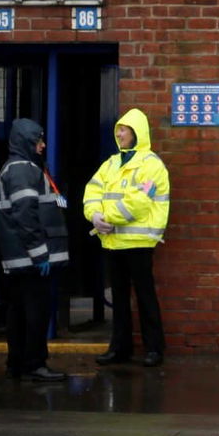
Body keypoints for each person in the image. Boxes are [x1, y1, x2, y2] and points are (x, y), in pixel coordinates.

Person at [83, 108, 171, 367]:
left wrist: (105, 217)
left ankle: (154, 348)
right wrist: (94, 215)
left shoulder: (152, 165)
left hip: (140, 244)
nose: (119, 134)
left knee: (145, 297)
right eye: (118, 129)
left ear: (136, 133)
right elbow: (91, 192)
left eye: (123, 130)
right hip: (113, 242)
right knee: (120, 300)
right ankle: (120, 348)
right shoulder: (110, 164)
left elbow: (140, 202)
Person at [0, 118, 69, 383]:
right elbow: (25, 214)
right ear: (27, 141)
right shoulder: (23, 170)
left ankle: (18, 364)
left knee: (19, 312)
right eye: (38, 140)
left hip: (20, 259)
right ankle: (34, 364)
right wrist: (40, 254)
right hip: (30, 259)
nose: (42, 145)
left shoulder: (18, 168)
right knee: (35, 312)